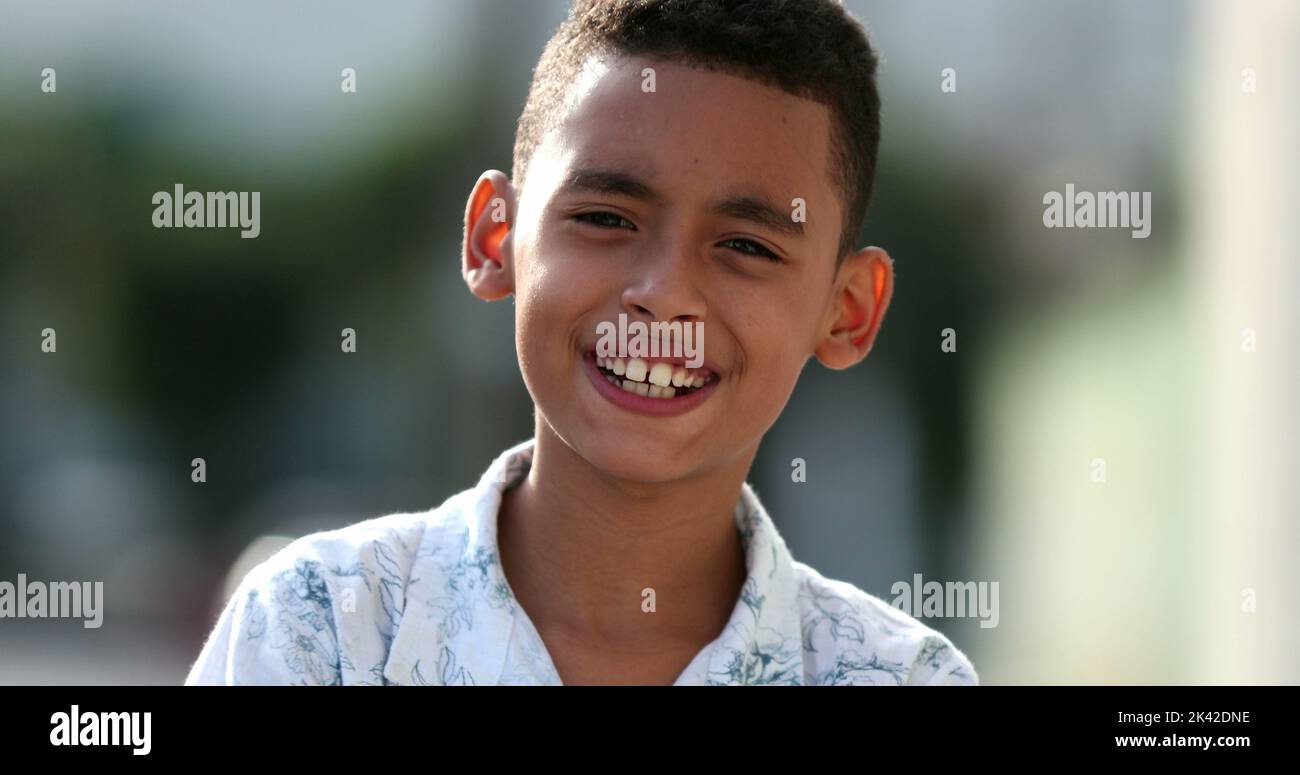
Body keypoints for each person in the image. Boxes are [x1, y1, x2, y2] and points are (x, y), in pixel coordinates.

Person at [186, 0, 978, 686]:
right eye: (604, 218)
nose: (664, 294)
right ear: (495, 238)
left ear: (848, 311)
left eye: (747, 245)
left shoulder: (899, 676)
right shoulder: (318, 632)